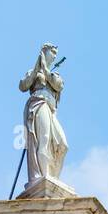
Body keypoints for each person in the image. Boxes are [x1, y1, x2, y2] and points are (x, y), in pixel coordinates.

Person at [19, 44, 68, 185]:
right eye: (52, 52)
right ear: (44, 53)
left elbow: (58, 85)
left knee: (62, 145)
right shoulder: (34, 72)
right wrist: (37, 67)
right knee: (44, 139)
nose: (54, 56)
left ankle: (52, 176)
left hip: (51, 110)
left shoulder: (54, 74)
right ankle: (43, 175)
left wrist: (45, 70)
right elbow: (23, 86)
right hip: (39, 104)